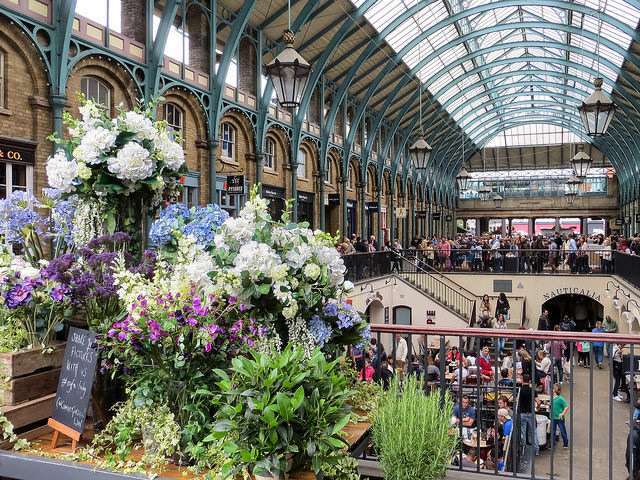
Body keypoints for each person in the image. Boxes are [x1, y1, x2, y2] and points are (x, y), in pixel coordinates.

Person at [551, 383, 569, 448]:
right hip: (553, 417)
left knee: (562, 431)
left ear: (555, 390)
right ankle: (552, 444)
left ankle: (566, 443)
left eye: (553, 388)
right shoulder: (552, 397)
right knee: (552, 431)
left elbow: (566, 406)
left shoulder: (560, 398)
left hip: (559, 418)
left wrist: (562, 414)